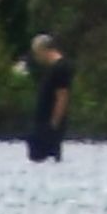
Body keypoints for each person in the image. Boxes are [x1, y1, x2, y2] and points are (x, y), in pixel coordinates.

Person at [27, 33, 73, 162]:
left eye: (37, 53)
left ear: (43, 50)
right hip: (43, 123)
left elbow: (62, 97)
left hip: (48, 125)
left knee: (42, 157)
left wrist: (53, 125)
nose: (37, 58)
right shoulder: (52, 69)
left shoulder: (60, 68)